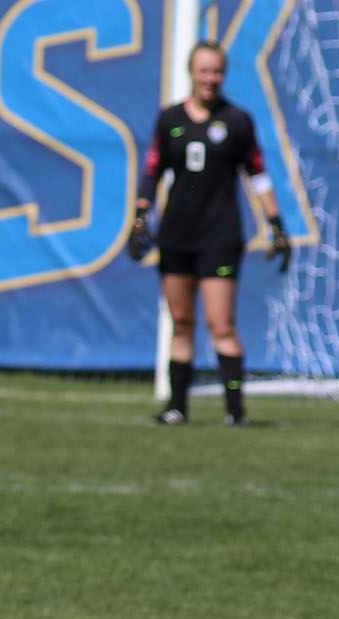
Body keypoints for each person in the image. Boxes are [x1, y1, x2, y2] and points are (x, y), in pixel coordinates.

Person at [127, 41, 290, 427]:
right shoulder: (170, 120)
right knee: (181, 321)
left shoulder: (237, 121)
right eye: (204, 71)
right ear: (191, 72)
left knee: (221, 324)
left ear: (224, 74)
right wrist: (140, 218)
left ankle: (235, 413)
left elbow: (258, 173)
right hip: (177, 235)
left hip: (220, 236)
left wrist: (276, 224)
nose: (210, 79)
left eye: (216, 72)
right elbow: (153, 171)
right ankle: (176, 408)